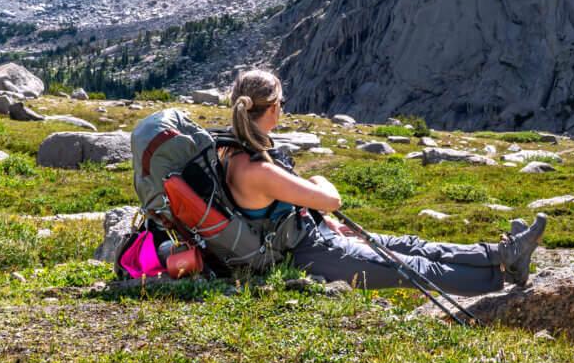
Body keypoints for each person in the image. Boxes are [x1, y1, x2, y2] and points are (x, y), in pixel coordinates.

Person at [220, 67, 544, 295]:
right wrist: (321, 180)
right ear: (273, 108)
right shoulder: (256, 169)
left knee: (411, 246)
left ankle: (502, 254)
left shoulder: (235, 150)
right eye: (282, 103)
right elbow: (331, 201)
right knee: (412, 266)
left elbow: (286, 203)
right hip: (307, 251)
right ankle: (503, 273)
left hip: (309, 235)